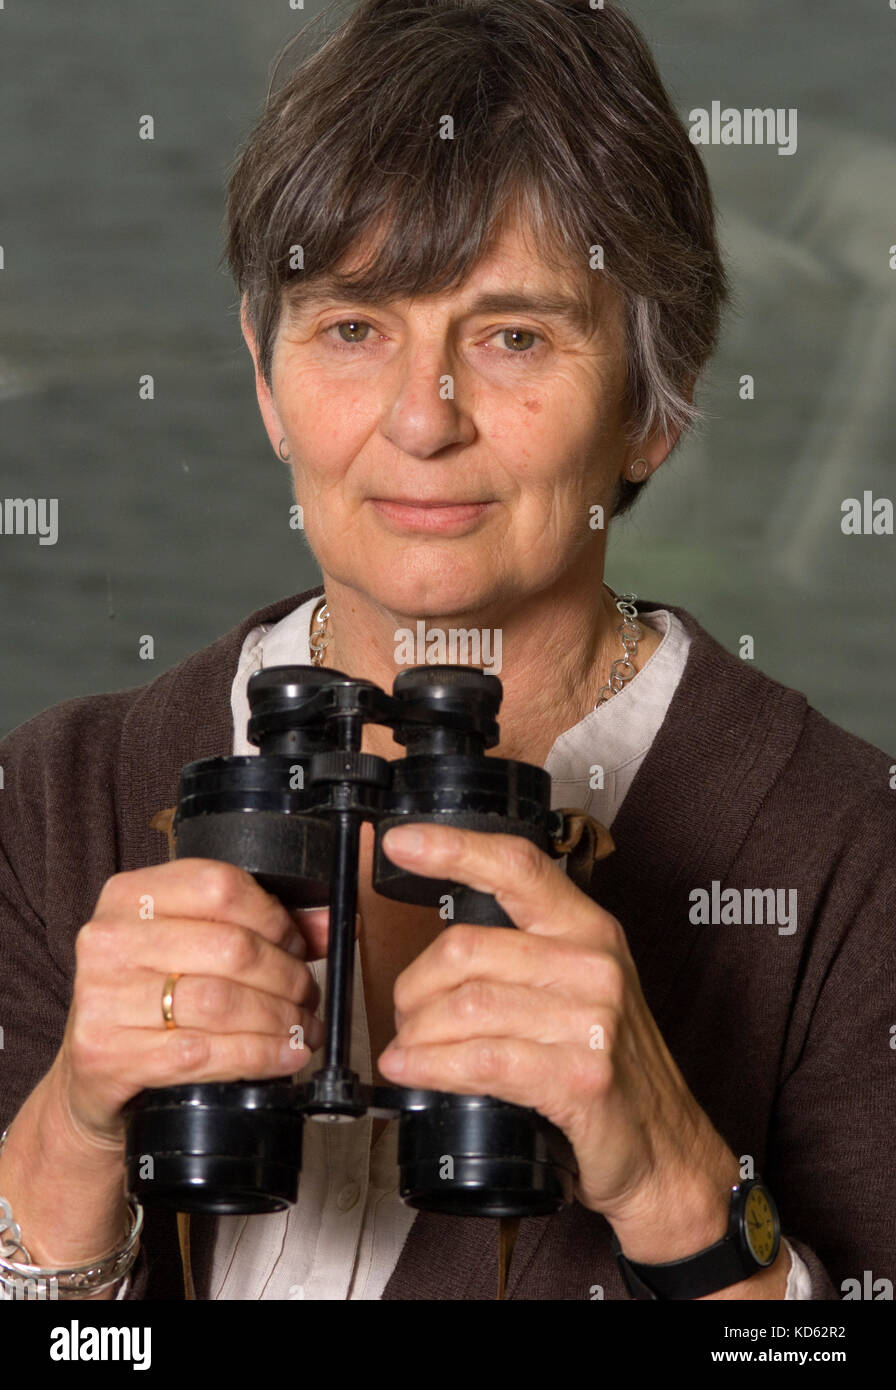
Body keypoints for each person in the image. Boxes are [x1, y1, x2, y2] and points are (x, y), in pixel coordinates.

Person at [0, 0, 892, 1302]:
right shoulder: (53, 801)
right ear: (264, 374)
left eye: (514, 334)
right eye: (353, 327)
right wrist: (69, 1138)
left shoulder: (848, 854)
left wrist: (676, 1184)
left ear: (657, 400)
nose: (423, 419)